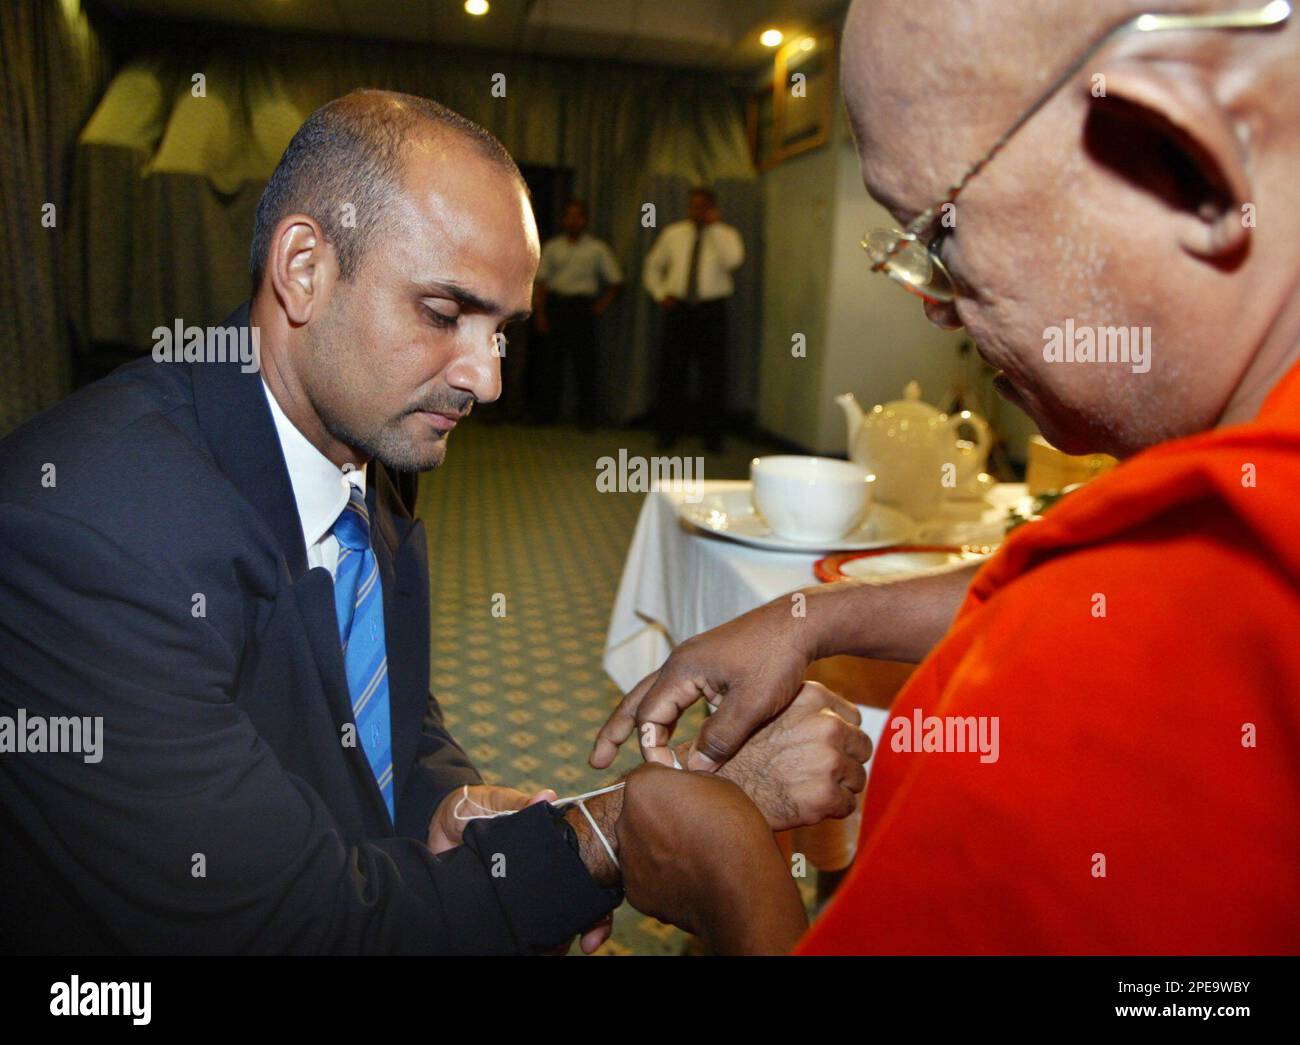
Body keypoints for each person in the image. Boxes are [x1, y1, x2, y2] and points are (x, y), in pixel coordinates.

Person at [0, 90, 871, 955]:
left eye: (502, 330)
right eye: (445, 314)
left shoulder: (360, 431)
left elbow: (391, 715)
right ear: (304, 268)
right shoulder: (84, 537)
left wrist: (458, 808)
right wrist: (613, 834)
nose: (487, 381)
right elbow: (300, 929)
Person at [593, 0, 1300, 954]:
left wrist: (732, 878)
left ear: (1182, 151)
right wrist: (817, 617)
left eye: (937, 235)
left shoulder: (1133, 664)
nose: (935, 308)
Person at [642, 187, 745, 451]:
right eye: (692, 206)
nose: (696, 211)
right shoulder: (673, 233)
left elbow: (733, 261)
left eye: (702, 206)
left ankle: (712, 436)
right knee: (672, 372)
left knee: (713, 373)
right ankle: (668, 432)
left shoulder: (727, 234)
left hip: (711, 311)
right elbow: (652, 266)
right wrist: (659, 293)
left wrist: (715, 228)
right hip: (678, 310)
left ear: (711, 207)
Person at [531, 200, 623, 427]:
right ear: (564, 220)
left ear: (585, 220)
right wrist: (541, 314)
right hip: (557, 306)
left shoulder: (597, 248)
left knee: (585, 365)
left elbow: (616, 280)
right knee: (551, 364)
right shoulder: (553, 247)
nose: (573, 220)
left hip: (582, 309)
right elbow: (541, 282)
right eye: (569, 216)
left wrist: (602, 305)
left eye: (578, 216)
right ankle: (547, 414)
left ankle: (587, 417)